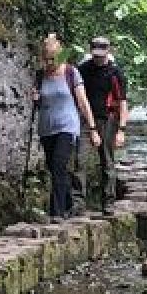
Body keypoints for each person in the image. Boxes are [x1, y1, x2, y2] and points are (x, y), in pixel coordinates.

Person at [32, 34, 101, 221]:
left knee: (58, 165)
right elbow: (39, 103)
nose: (49, 63)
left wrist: (93, 129)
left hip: (67, 126)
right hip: (47, 128)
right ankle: (70, 203)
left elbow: (83, 102)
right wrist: (36, 99)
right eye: (46, 59)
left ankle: (57, 212)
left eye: (53, 59)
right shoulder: (40, 76)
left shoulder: (71, 72)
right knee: (54, 169)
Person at [73, 36, 129, 213]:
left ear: (108, 52)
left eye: (101, 55)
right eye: (95, 54)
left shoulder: (115, 73)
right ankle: (78, 204)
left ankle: (108, 202)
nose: (98, 58)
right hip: (84, 120)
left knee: (107, 161)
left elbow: (122, 102)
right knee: (79, 160)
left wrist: (121, 129)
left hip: (107, 120)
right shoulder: (82, 70)